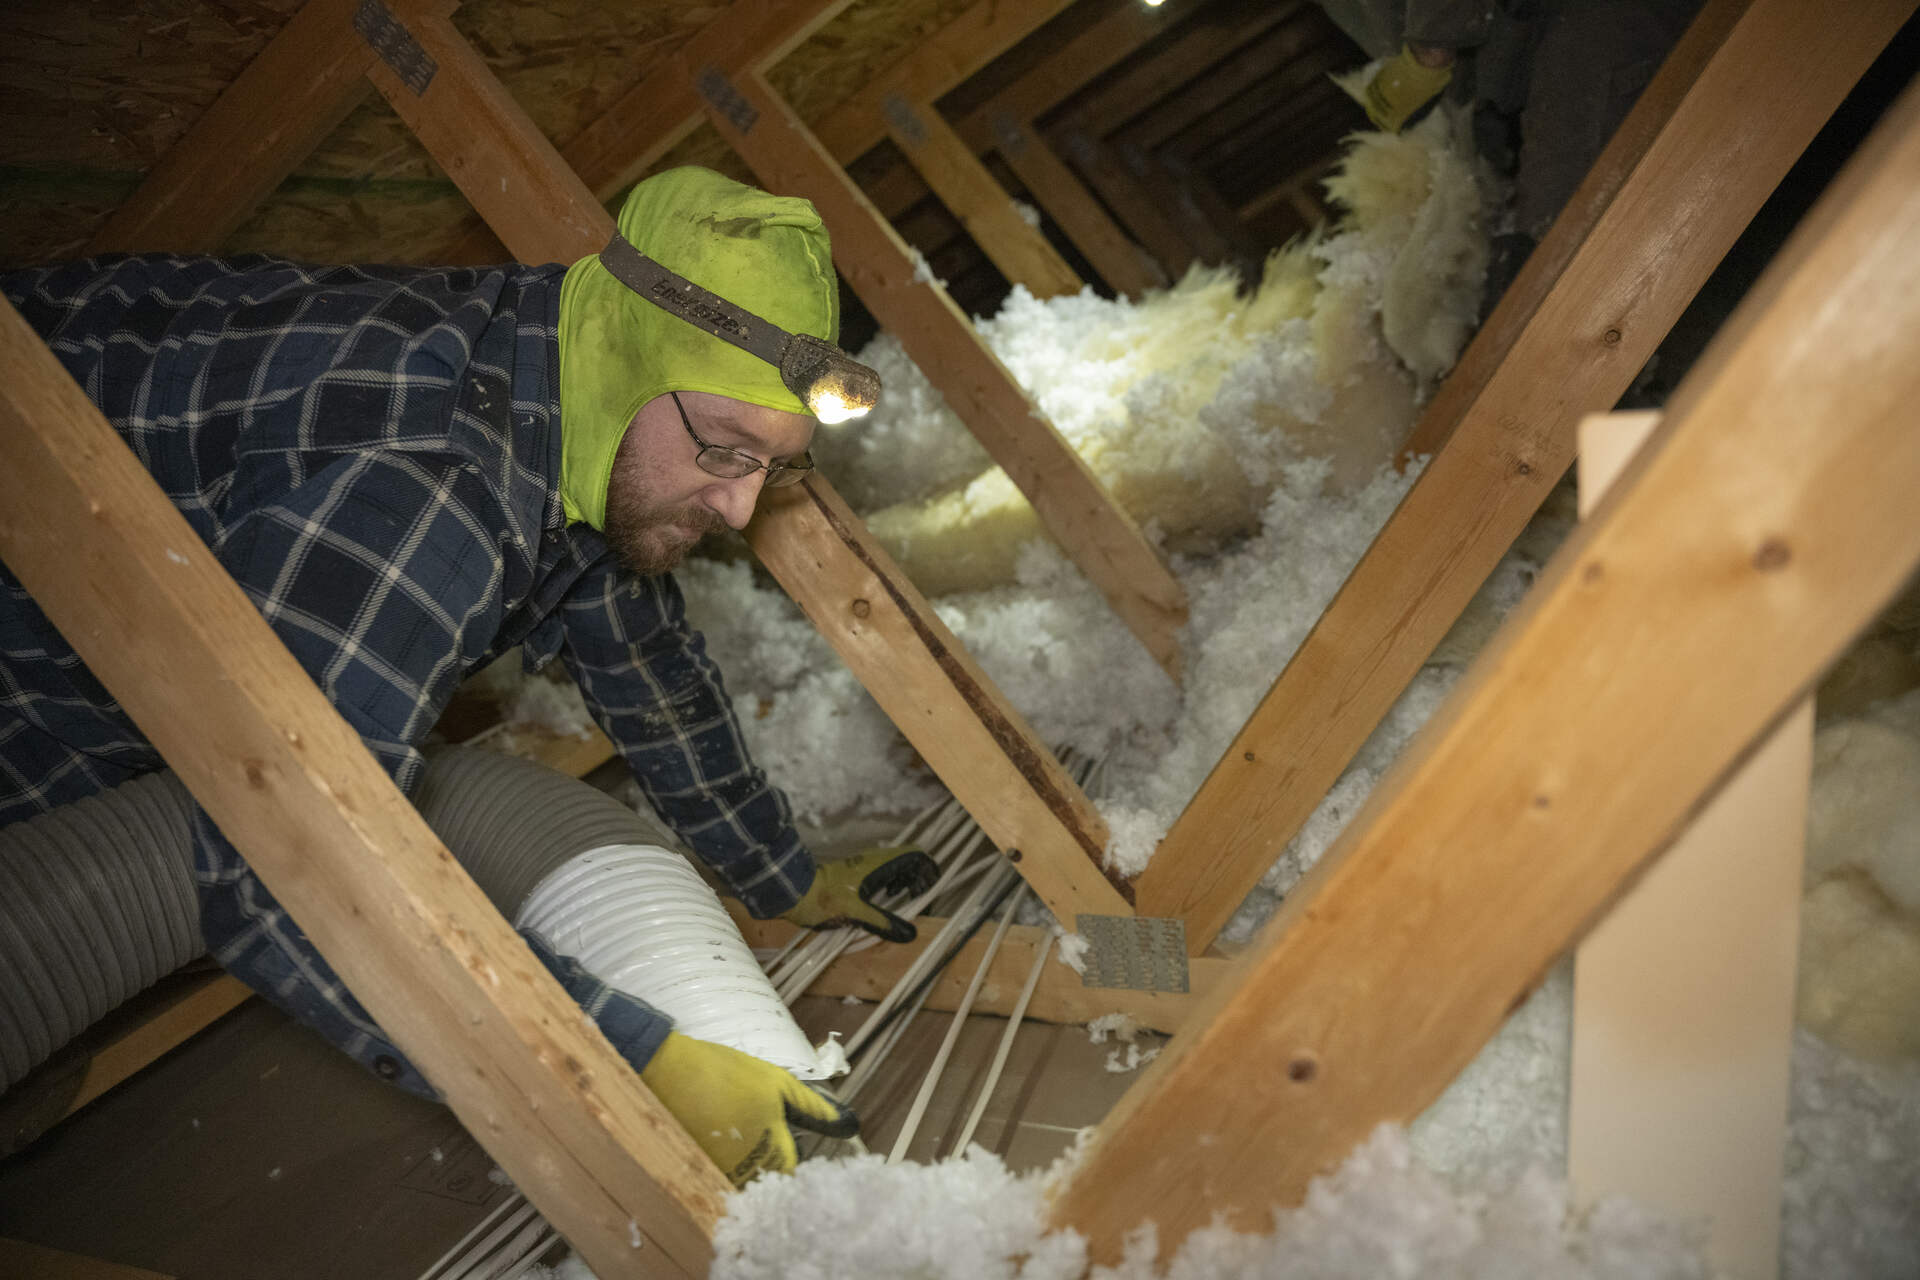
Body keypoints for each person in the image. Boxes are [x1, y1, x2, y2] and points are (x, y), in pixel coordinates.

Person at [0, 165, 935, 1186]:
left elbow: (638, 652)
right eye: (725, 448)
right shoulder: (428, 483)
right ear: (625, 354)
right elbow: (293, 863)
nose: (742, 509)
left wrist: (777, 873)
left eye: (778, 465)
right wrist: (636, 1063)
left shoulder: (565, 384)